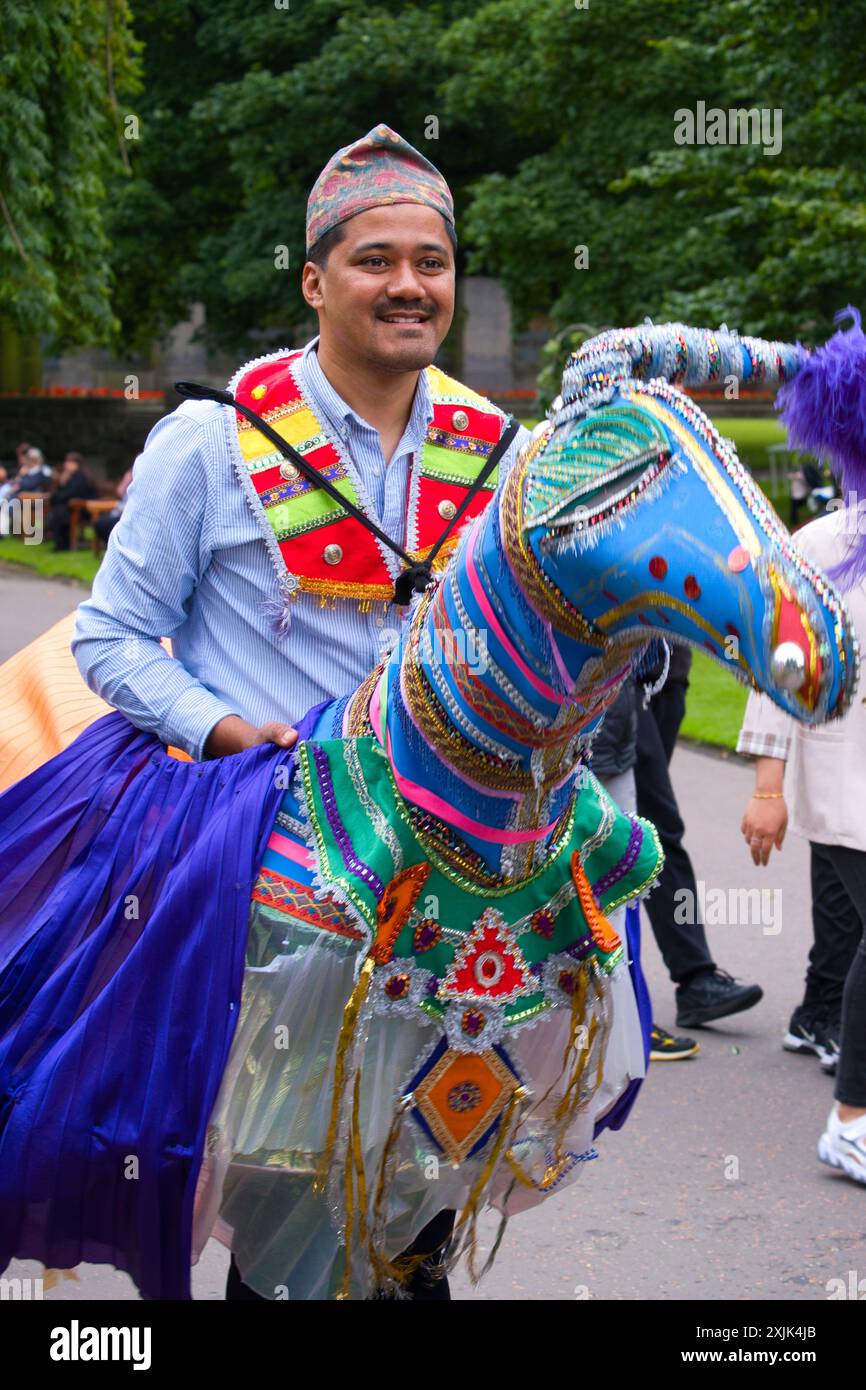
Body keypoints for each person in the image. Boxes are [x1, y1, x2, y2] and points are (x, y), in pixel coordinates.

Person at [70, 123, 529, 1297]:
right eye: (375, 260)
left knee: (422, 1189)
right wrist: (220, 726)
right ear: (315, 280)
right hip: (274, 888)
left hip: (452, 888)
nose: (408, 285)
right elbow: (111, 635)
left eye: (429, 260)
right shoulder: (209, 442)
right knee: (287, 1216)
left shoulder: (507, 457)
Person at [738, 504, 866, 1184]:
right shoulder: (822, 542)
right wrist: (767, 788)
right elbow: (780, 671)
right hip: (850, 780)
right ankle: (850, 1123)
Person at [634, 643, 764, 1029]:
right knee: (655, 826)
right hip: (617, 687)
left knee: (645, 828)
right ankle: (693, 977)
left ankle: (684, 980)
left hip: (669, 677)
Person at [590, 662, 699, 1061]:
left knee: (627, 879)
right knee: (575, 886)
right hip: (571, 742)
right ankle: (600, 1018)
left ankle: (625, 1013)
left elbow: (652, 658)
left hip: (618, 737)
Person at [46, 451, 100, 551]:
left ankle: (63, 546)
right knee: (57, 511)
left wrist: (59, 494)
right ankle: (61, 544)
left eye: (70, 463)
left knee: (59, 513)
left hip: (83, 510)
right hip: (71, 509)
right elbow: (58, 497)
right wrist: (61, 483)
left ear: (77, 464)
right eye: (66, 462)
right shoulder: (70, 477)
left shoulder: (81, 478)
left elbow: (68, 495)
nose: (66, 465)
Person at [93, 464, 134, 547]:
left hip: (128, 515)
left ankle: (113, 546)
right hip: (119, 512)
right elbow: (119, 491)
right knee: (99, 522)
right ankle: (111, 546)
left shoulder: (139, 483)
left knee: (102, 523)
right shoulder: (130, 482)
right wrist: (125, 481)